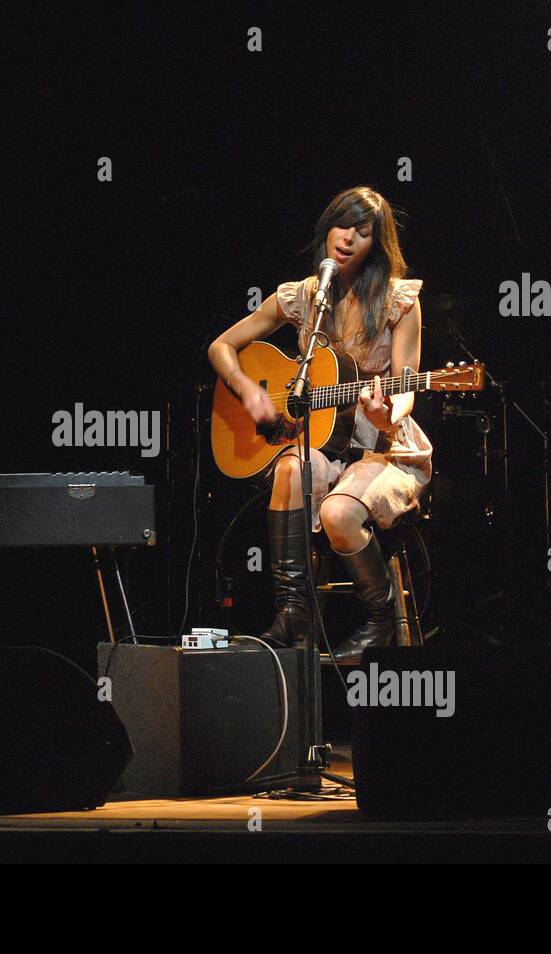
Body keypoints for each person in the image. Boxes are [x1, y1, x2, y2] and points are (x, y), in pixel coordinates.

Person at [206, 186, 432, 662]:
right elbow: (221, 347)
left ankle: (380, 620)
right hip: (324, 442)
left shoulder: (399, 301)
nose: (347, 238)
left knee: (337, 513)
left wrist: (386, 413)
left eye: (363, 232)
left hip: (384, 444)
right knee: (289, 470)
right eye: (341, 225)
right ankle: (293, 615)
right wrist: (250, 392)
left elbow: (406, 384)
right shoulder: (306, 295)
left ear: (377, 243)